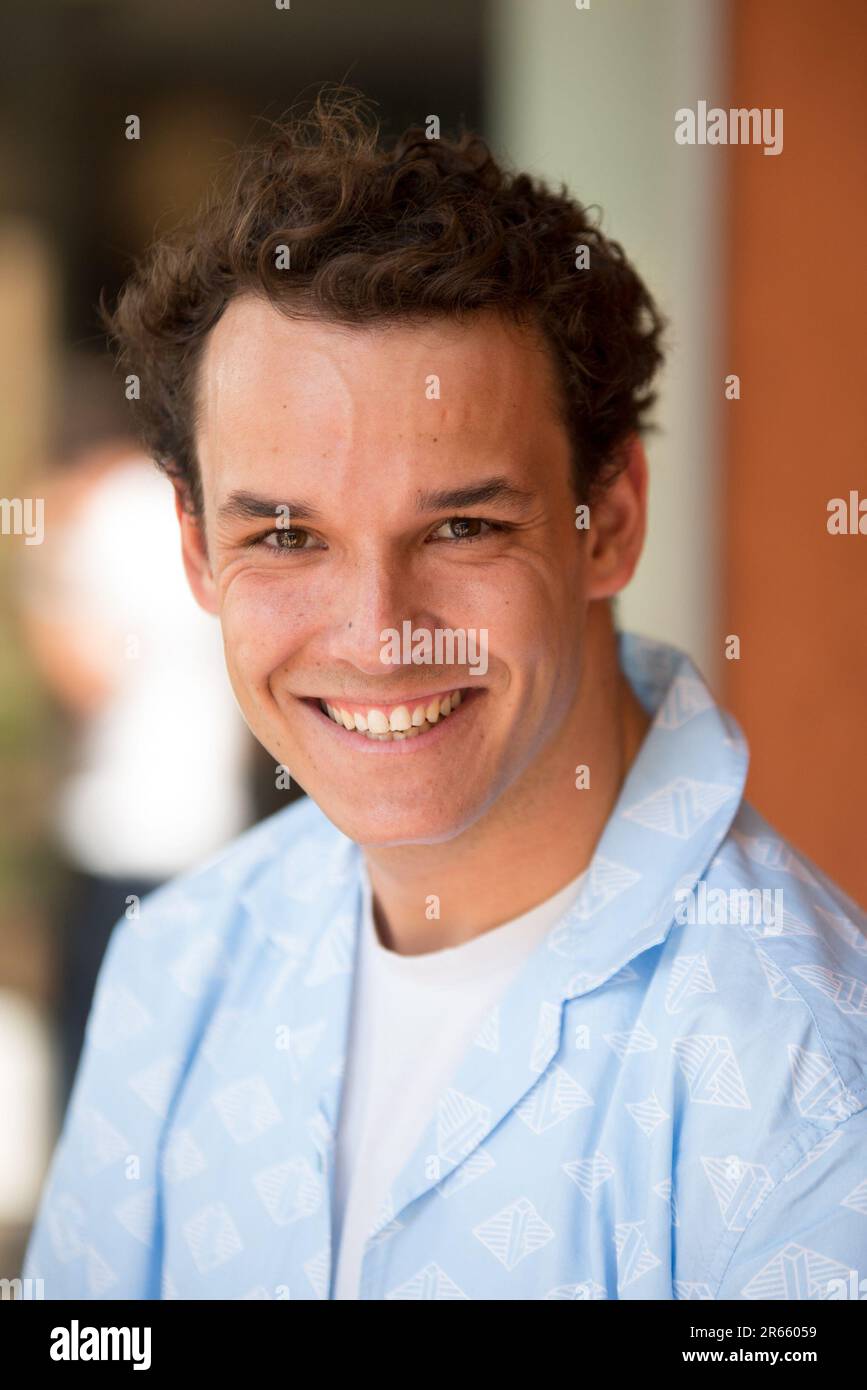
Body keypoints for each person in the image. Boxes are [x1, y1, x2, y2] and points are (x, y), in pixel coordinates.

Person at [22, 88, 867, 1301]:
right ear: (198, 553)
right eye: (287, 536)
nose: (377, 635)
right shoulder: (179, 968)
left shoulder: (808, 1082)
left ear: (609, 522)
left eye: (463, 525)